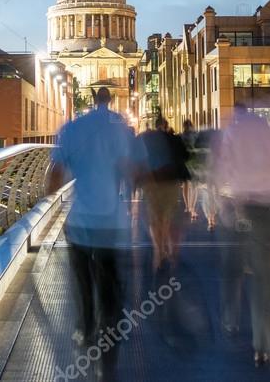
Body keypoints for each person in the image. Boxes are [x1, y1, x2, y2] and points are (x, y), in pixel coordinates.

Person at [47, 86, 137, 378]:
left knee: (83, 280)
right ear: (109, 101)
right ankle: (107, 356)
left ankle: (86, 327)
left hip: (81, 221)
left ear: (88, 100)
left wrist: (47, 198)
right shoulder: (120, 129)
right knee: (110, 289)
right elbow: (128, 169)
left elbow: (55, 177)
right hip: (112, 222)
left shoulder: (71, 129)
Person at [212, 103, 270, 380]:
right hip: (267, 207)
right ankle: (262, 344)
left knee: (231, 268)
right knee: (265, 279)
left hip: (240, 205)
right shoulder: (265, 131)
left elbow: (223, 166)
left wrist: (219, 200)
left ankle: (230, 318)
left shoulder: (231, 132)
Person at [136, 116, 189, 272]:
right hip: (170, 182)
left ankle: (158, 250)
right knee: (167, 217)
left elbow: (138, 158)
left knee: (154, 218)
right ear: (166, 126)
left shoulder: (146, 139)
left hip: (151, 182)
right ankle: (165, 247)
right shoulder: (172, 139)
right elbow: (185, 156)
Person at [180, 119, 199, 218]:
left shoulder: (181, 136)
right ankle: (192, 208)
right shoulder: (196, 135)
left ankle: (187, 206)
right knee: (194, 186)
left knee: (186, 184)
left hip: (185, 162)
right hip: (194, 162)